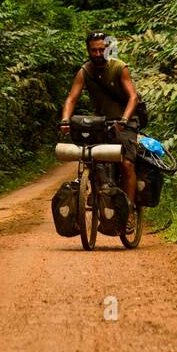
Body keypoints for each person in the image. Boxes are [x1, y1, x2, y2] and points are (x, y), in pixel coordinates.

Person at [59, 30, 139, 218]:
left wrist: (125, 120)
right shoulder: (85, 71)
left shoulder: (119, 67)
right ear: (88, 50)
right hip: (100, 123)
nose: (97, 54)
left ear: (107, 49)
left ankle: (128, 212)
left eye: (101, 50)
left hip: (124, 123)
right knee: (92, 159)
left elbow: (133, 97)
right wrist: (65, 120)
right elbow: (72, 98)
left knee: (127, 164)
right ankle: (97, 194)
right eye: (93, 50)